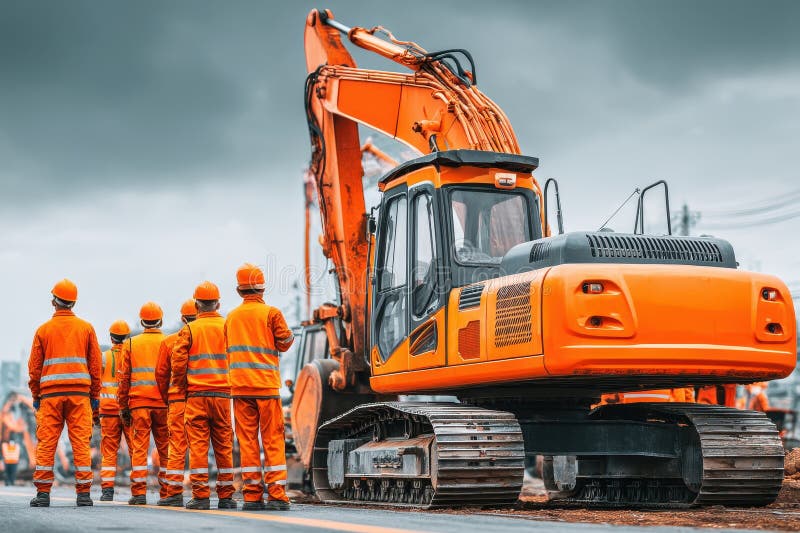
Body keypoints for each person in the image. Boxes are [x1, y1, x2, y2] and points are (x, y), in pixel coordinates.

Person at [225, 263, 294, 511]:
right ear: (262, 288)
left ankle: (252, 496)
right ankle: (276, 495)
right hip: (265, 387)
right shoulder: (272, 314)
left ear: (239, 290)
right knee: (273, 439)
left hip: (240, 389)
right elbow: (285, 342)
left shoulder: (231, 318)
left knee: (247, 442)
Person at [28, 278, 102, 507]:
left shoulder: (43, 330)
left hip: (50, 397)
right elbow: (95, 366)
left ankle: (43, 494)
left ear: (54, 301)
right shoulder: (86, 328)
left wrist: (36, 396)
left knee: (47, 442)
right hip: (80, 396)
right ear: (74, 302)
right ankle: (83, 494)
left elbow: (34, 369)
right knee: (80, 442)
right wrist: (94, 396)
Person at [171, 281, 236, 510]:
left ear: (196, 305)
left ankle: (200, 497)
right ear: (218, 304)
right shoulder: (228, 326)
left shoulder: (189, 329)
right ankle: (226, 497)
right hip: (223, 396)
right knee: (224, 446)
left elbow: (178, 364)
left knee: (198, 447)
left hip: (197, 396)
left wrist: (182, 388)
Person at [118, 302, 169, 505]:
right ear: (161, 321)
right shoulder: (169, 341)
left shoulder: (130, 344)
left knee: (139, 448)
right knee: (165, 448)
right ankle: (168, 491)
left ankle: (139, 493)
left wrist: (123, 406)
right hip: (163, 404)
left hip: (139, 404)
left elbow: (124, 379)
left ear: (142, 322)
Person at [155, 299, 197, 507]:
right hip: (203, 397)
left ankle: (173, 493)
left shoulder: (170, 341)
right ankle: (222, 495)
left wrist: (168, 398)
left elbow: (161, 375)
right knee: (202, 446)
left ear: (182, 318)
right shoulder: (215, 335)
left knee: (177, 447)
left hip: (178, 401)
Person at [98, 320, 134, 501]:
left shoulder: (103, 357)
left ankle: (107, 491)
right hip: (129, 409)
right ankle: (138, 490)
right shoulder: (132, 355)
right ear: (127, 337)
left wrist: (95, 410)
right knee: (136, 450)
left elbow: (95, 384)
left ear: (111, 338)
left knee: (109, 452)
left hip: (108, 411)